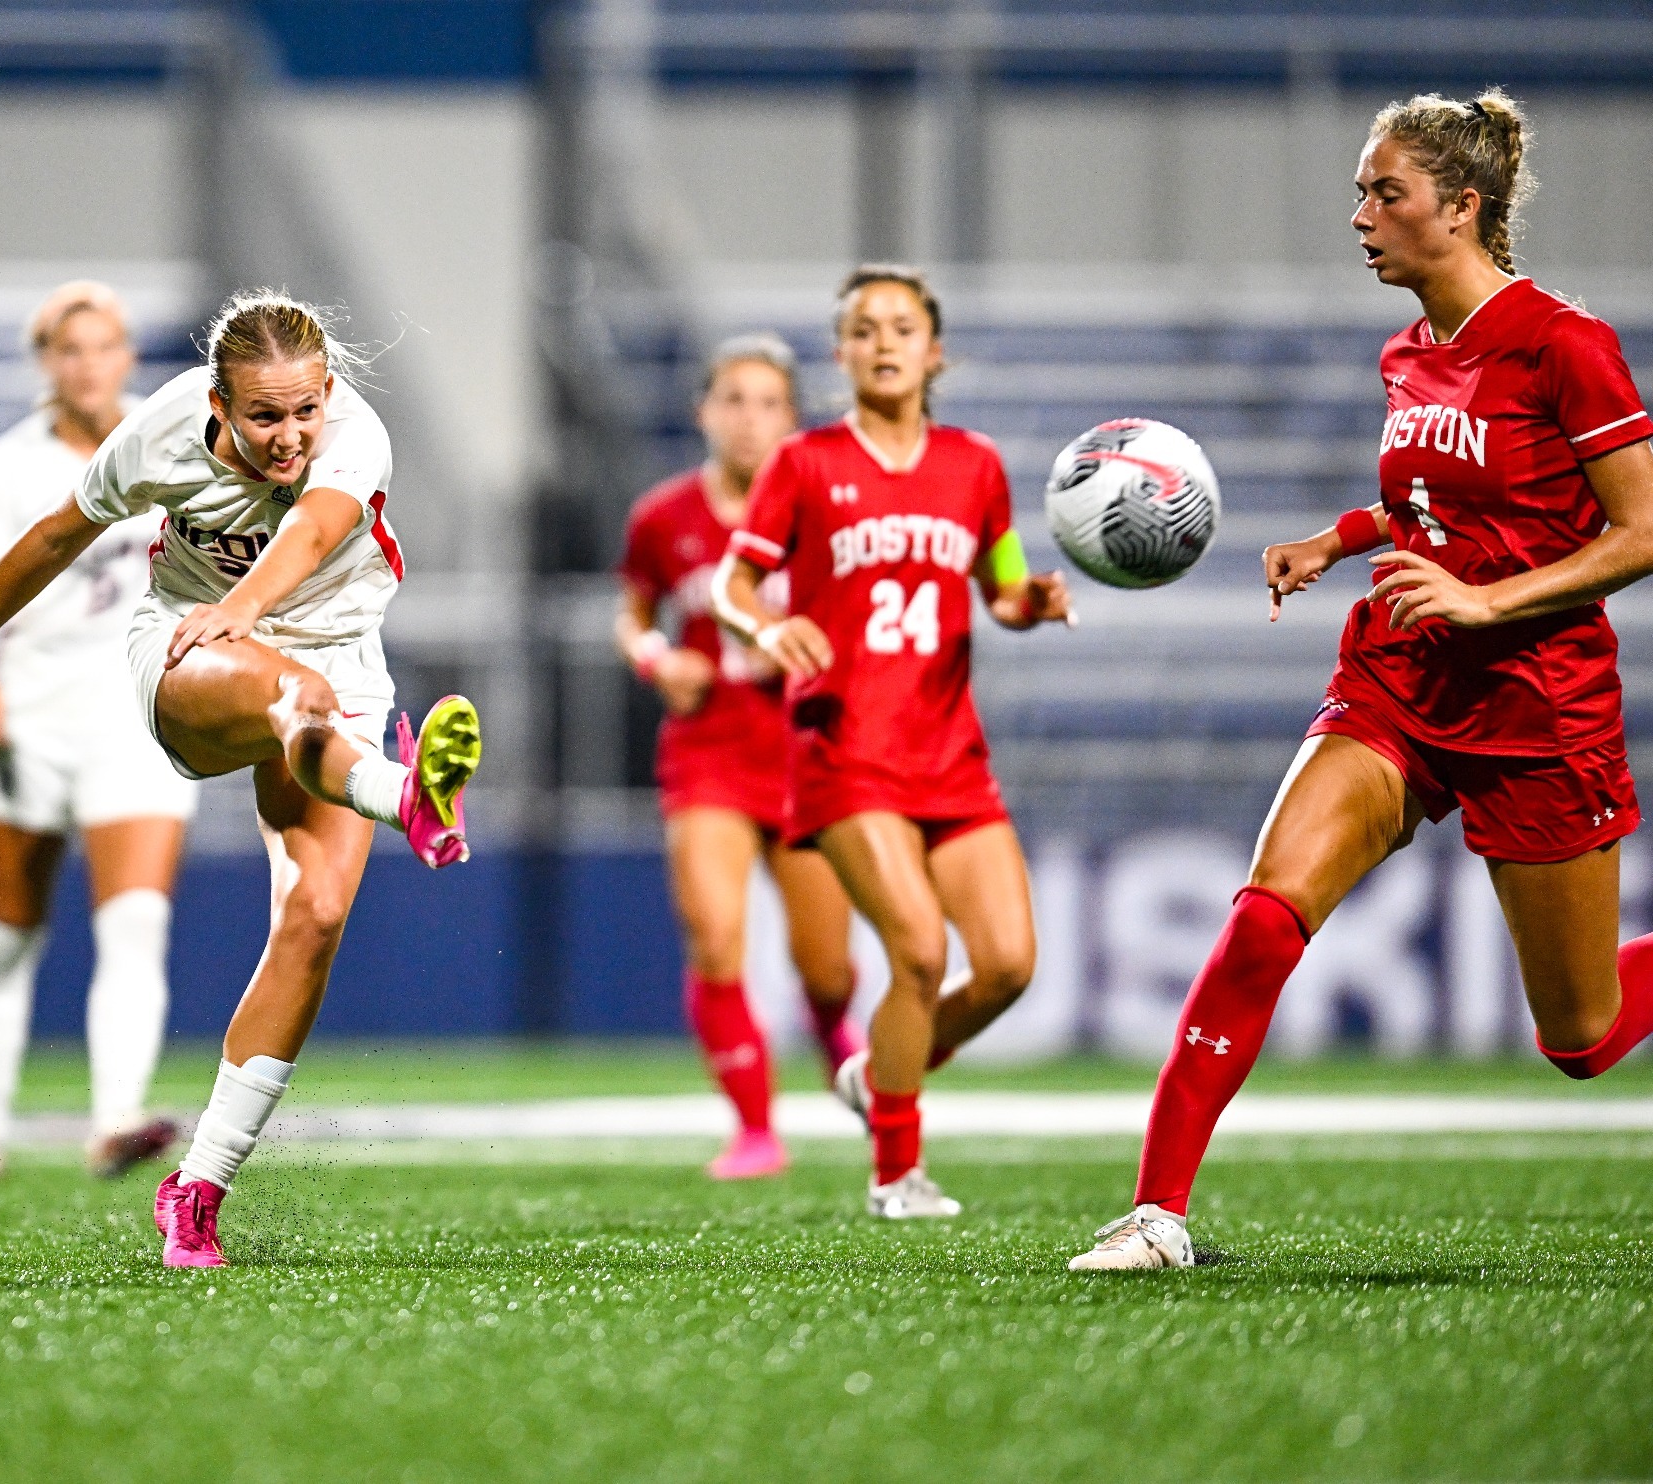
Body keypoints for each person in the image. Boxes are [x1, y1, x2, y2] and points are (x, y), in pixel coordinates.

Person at [1070, 91, 1653, 1271]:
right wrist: (1336, 541)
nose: (1360, 215)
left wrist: (1487, 600)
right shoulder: (1408, 351)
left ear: (1461, 206)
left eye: (1383, 192)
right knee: (1263, 912)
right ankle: (1154, 1215)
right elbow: (1431, 499)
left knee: (1580, 1039)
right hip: (1395, 678)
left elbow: (1637, 529)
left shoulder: (1563, 345)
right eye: (1359, 192)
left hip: (1533, 705)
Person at [0, 289, 482, 1268]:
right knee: (290, 694)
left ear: (327, 390)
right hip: (187, 657)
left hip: (333, 660)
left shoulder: (355, 436)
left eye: (304, 409)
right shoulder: (157, 433)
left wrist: (246, 604)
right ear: (216, 398)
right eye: (263, 414)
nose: (290, 433)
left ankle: (195, 1187)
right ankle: (400, 795)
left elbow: (313, 526)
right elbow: (51, 537)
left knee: (317, 917)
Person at [711, 266, 1075, 1219]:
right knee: (917, 952)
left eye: (902, 327)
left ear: (934, 349)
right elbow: (734, 585)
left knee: (1007, 966)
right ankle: (895, 1171)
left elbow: (997, 584)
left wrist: (1028, 604)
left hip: (950, 755)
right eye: (863, 328)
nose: (883, 342)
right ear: (840, 352)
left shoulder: (976, 465)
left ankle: (880, 1073)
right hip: (844, 752)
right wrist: (764, 629)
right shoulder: (803, 463)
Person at [0, 281, 198, 1185]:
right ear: (47, 362)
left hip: (136, 720)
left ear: (128, 355)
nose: (88, 364)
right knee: (7, 934)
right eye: (69, 348)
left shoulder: (169, 446)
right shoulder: (9, 467)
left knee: (137, 926)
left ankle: (116, 1117)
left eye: (105, 345)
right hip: (32, 720)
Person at [616, 332, 861, 1182]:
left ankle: (835, 1037)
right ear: (704, 412)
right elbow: (634, 613)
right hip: (709, 748)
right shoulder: (663, 516)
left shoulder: (830, 511)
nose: (750, 420)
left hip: (806, 751)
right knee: (715, 937)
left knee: (825, 963)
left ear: (793, 418)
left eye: (767, 403)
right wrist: (657, 661)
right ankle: (755, 1128)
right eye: (734, 400)